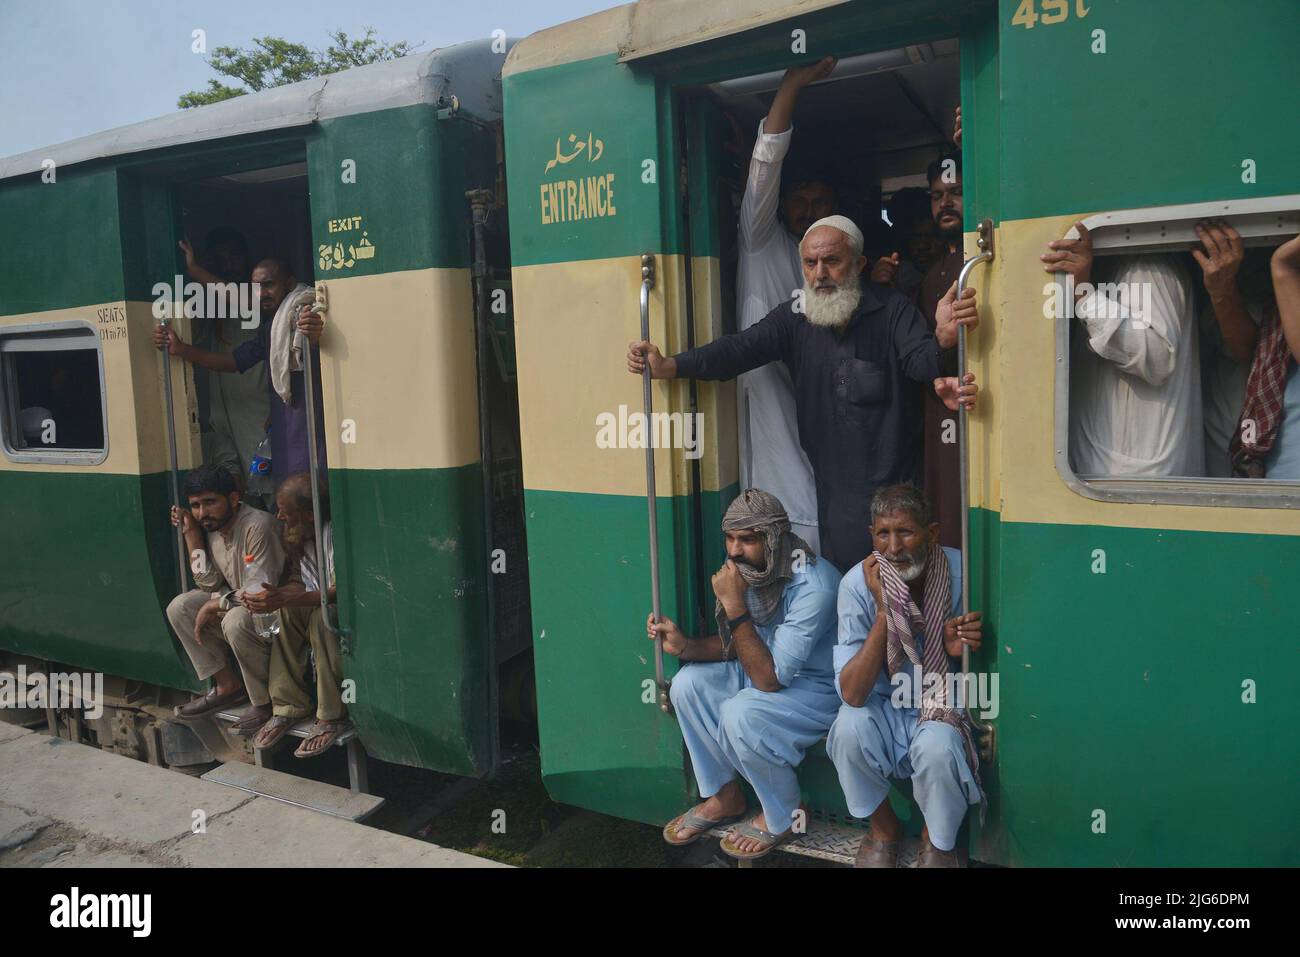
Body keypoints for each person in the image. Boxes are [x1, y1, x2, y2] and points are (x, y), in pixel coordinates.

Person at [629, 216, 979, 571]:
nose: (820, 274)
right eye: (810, 263)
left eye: (832, 261)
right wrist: (671, 365)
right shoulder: (795, 316)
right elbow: (739, 349)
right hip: (835, 495)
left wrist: (943, 340)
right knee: (850, 590)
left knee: (900, 588)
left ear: (858, 264)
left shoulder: (892, 309)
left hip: (896, 489)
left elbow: (920, 363)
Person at [651, 489, 841, 861]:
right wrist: (686, 646)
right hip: (766, 671)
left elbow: (770, 679)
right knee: (688, 685)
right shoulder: (757, 571)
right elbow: (745, 646)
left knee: (741, 712)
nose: (735, 550)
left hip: (816, 689)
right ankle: (726, 795)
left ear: (774, 539)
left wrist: (734, 605)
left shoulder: (814, 586)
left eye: (748, 539)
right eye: (730, 538)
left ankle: (786, 814)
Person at [826, 484, 984, 868]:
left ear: (931, 534)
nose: (894, 547)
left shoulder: (964, 574)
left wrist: (956, 651)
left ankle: (939, 839)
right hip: (884, 706)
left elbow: (986, 669)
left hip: (941, 702)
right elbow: (852, 692)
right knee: (847, 729)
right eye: (884, 533)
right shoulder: (856, 586)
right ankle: (884, 828)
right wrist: (884, 611)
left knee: (939, 746)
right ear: (872, 536)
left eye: (905, 532)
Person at [735, 56, 838, 550]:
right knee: (786, 526)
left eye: (820, 204)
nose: (808, 210)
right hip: (772, 405)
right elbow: (764, 165)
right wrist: (791, 85)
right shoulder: (762, 241)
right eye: (800, 198)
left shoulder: (834, 262)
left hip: (826, 406)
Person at [1043, 223, 1204, 476]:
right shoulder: (1115, 269)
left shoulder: (1147, 268)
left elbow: (1158, 358)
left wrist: (1085, 296)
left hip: (1135, 479)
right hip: (1107, 474)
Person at [154, 258, 324, 480]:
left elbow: (320, 344)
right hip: (286, 417)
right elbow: (233, 362)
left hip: (312, 419)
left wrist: (315, 336)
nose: (261, 293)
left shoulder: (305, 308)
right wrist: (182, 349)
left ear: (290, 283)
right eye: (256, 287)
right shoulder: (272, 327)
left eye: (269, 284)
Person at [165, 466, 287, 732]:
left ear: (233, 499)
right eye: (195, 506)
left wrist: (216, 604)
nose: (202, 513)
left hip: (276, 613)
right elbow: (207, 582)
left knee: (234, 619)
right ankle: (227, 685)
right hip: (241, 605)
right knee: (180, 607)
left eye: (210, 502)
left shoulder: (258, 526)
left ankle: (264, 703)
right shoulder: (211, 529)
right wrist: (192, 535)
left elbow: (264, 592)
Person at [246, 473, 352, 757]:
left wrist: (289, 597)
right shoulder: (299, 536)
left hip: (344, 611)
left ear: (308, 515)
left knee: (322, 617)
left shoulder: (332, 533)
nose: (279, 516)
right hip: (318, 601)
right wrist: (276, 598)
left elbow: (336, 591)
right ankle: (288, 706)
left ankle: (331, 716)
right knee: (285, 613)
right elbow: (301, 582)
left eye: (286, 511)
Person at [916, 145, 977, 546]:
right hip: (938, 407)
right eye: (937, 196)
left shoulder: (983, 257)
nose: (945, 203)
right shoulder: (932, 271)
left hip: (977, 401)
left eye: (954, 192)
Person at [179, 227, 269, 485]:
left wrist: (196, 269)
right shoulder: (210, 301)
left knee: (263, 473)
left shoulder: (260, 296)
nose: (229, 264)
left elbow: (236, 296)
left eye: (234, 256)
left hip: (257, 401)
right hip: (223, 406)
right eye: (221, 258)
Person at [1231, 232, 1300, 478]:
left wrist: (1282, 266)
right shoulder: (1278, 315)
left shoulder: (1286, 275)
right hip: (1278, 477)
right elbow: (1244, 351)